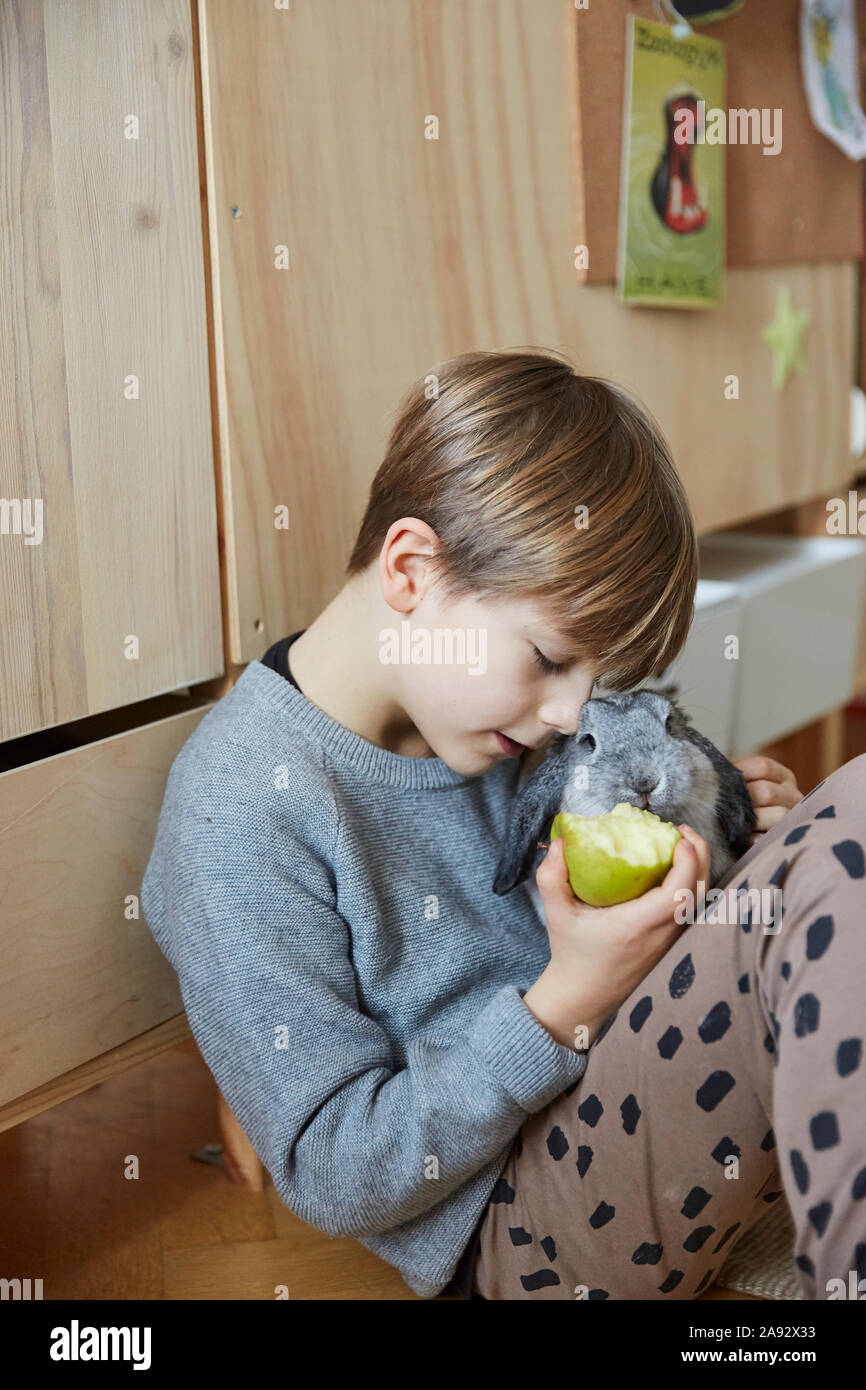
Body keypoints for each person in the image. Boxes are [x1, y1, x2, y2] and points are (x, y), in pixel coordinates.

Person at [142, 349, 864, 1300]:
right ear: (411, 569)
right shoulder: (240, 807)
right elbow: (333, 1169)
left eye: (591, 683)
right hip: (522, 1223)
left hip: (648, 1104)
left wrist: (733, 853)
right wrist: (563, 1002)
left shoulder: (504, 726)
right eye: (547, 656)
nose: (570, 716)